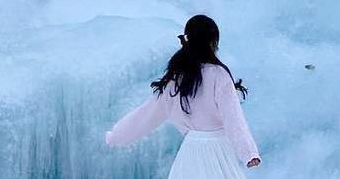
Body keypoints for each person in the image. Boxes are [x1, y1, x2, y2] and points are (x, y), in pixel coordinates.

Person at [105, 14, 261, 174]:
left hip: (191, 152)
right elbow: (233, 118)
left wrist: (116, 136)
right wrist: (248, 153)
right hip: (218, 151)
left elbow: (146, 115)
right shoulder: (218, 74)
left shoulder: (176, 79)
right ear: (212, 42)